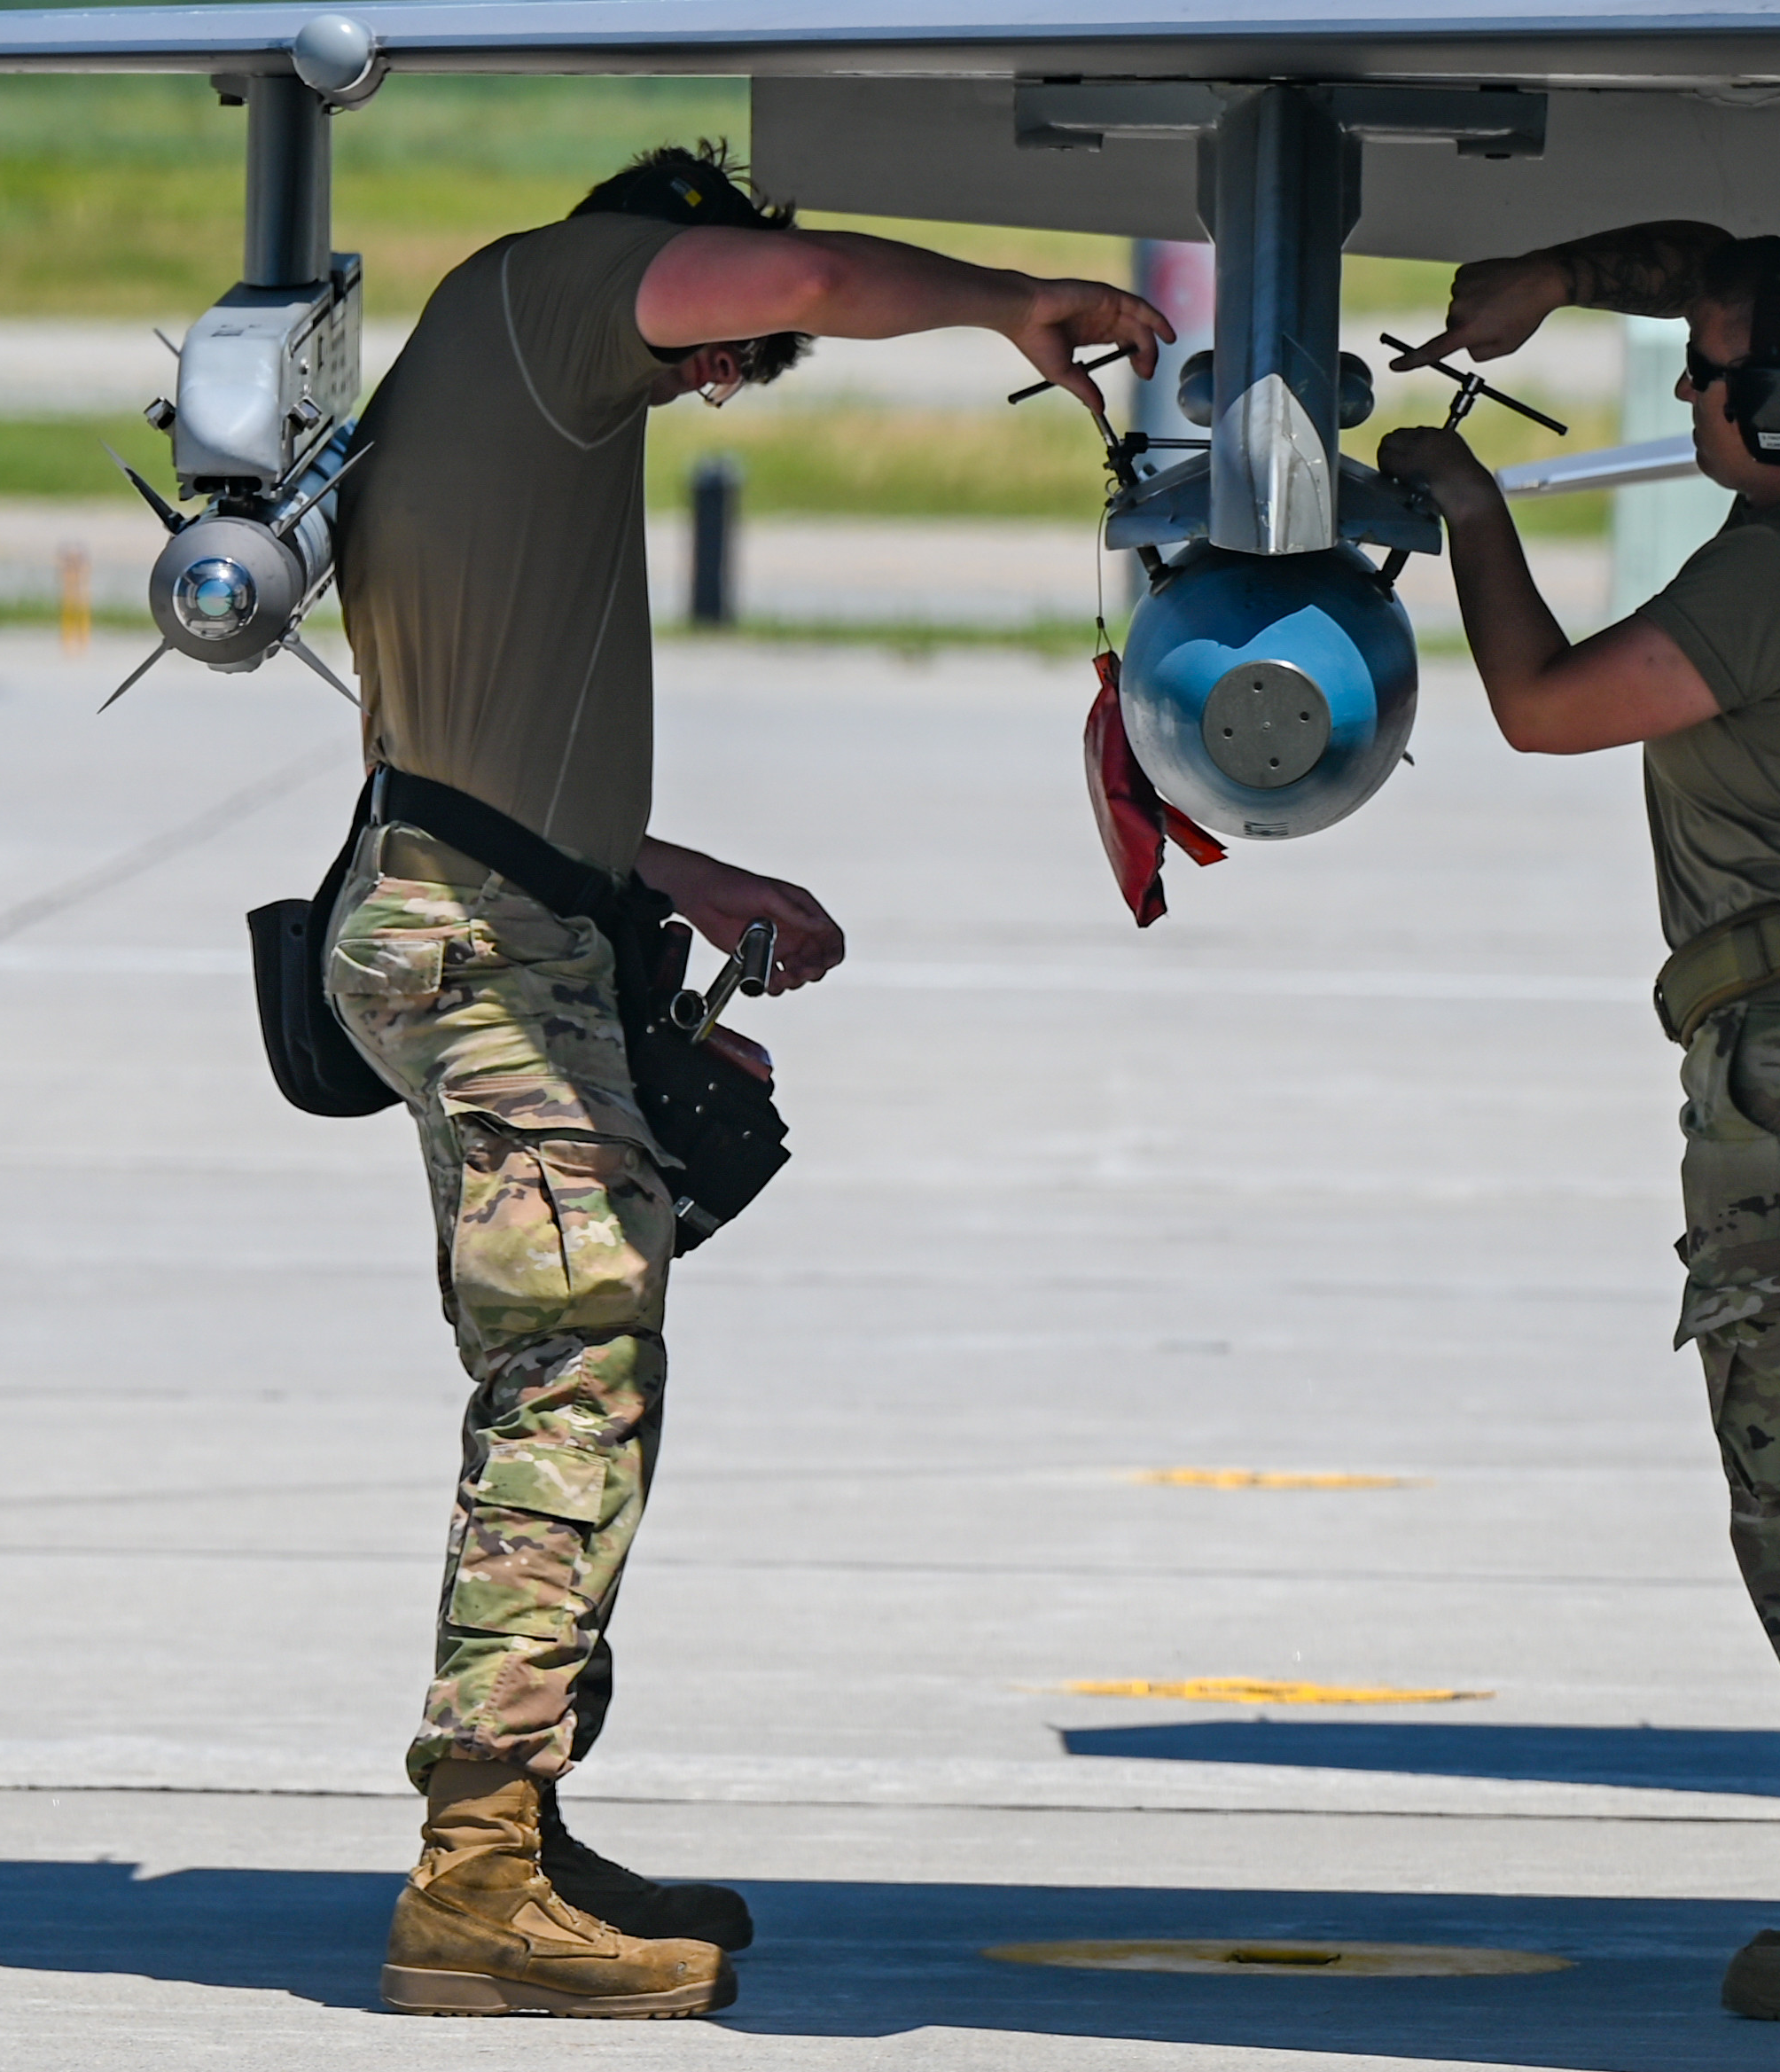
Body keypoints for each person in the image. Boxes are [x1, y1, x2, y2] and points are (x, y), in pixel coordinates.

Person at [325, 142, 1169, 2019]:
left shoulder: (502, 359)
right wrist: (1002, 305)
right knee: (572, 1359)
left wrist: (662, 875)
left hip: (487, 899)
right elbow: (785, 287)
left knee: (591, 1352)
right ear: (675, 256)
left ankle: (519, 1829)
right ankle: (471, 1877)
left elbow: (463, 720)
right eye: (710, 359)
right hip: (479, 939)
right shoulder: (553, 300)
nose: (712, 388)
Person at [1379, 224, 1780, 2022]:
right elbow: (1732, 266)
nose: (1683, 389)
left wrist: (1470, 512)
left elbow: (1539, 708)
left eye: (1709, 369)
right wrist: (1549, 280)